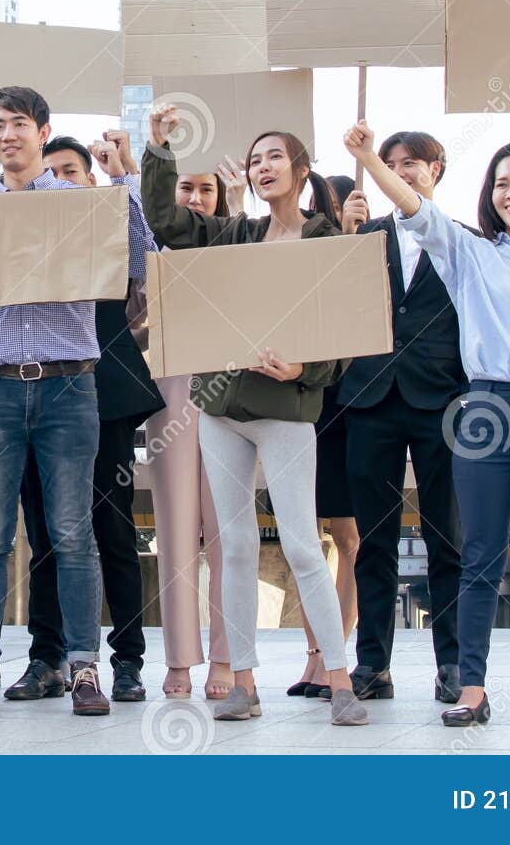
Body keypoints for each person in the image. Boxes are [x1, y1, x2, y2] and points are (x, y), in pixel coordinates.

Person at [0, 86, 155, 717]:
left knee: (73, 534)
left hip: (70, 383)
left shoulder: (84, 205)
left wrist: (126, 188)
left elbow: (144, 263)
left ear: (44, 131)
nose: (7, 134)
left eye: (18, 123)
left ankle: (84, 667)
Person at [345, 124, 510, 728]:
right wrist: (366, 159)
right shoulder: (468, 250)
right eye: (501, 183)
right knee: (481, 554)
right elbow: (414, 209)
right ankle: (471, 688)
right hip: (485, 408)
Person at [141, 105, 368, 727]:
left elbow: (343, 329)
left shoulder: (327, 239)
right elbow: (164, 221)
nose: (261, 166)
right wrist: (159, 149)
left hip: (287, 410)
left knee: (300, 543)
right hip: (221, 410)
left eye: (274, 157)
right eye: (254, 158)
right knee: (233, 546)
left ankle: (341, 681)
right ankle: (243, 681)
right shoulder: (235, 234)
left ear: (300, 171)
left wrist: (304, 372)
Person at [5, 135, 166, 703]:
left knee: (110, 529)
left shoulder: (105, 232)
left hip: (106, 398)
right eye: (51, 175)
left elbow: (146, 256)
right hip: (33, 398)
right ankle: (46, 657)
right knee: (45, 536)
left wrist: (123, 177)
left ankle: (125, 660)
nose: (61, 184)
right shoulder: (21, 239)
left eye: (71, 173)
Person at [330, 133, 466, 705]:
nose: (401, 173)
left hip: (441, 402)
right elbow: (331, 306)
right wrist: (344, 238)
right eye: (389, 166)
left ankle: (455, 664)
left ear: (436, 169)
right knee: (374, 542)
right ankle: (373, 664)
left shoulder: (464, 241)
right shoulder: (363, 238)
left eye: (411, 164)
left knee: (447, 541)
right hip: (370, 399)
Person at [147, 163, 235, 701]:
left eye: (207, 189)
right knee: (175, 527)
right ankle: (180, 659)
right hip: (171, 385)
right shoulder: (154, 255)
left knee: (229, 532)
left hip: (233, 391)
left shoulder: (237, 246)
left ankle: (227, 657)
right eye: (187, 188)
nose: (197, 197)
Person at [284, 173, 364, 702]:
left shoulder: (366, 248)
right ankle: (315, 655)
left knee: (349, 538)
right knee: (304, 539)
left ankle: (335, 654)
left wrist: (354, 239)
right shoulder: (299, 252)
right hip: (304, 401)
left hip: (353, 401)